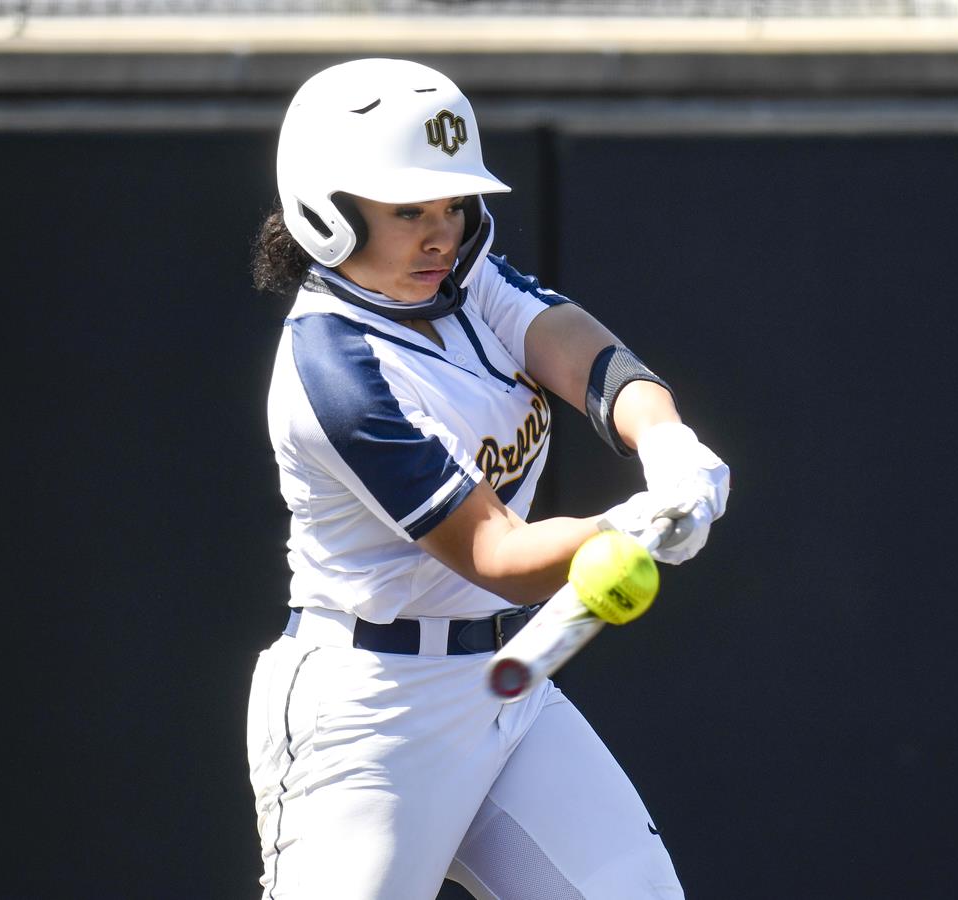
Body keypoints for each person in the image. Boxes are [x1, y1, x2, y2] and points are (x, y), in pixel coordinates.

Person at [244, 57, 730, 900]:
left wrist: (669, 444)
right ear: (327, 215)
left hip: (507, 686)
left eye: (452, 206)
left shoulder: (465, 282)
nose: (440, 234)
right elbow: (496, 552)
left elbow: (583, 354)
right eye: (406, 212)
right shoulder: (334, 369)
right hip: (370, 716)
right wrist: (633, 524)